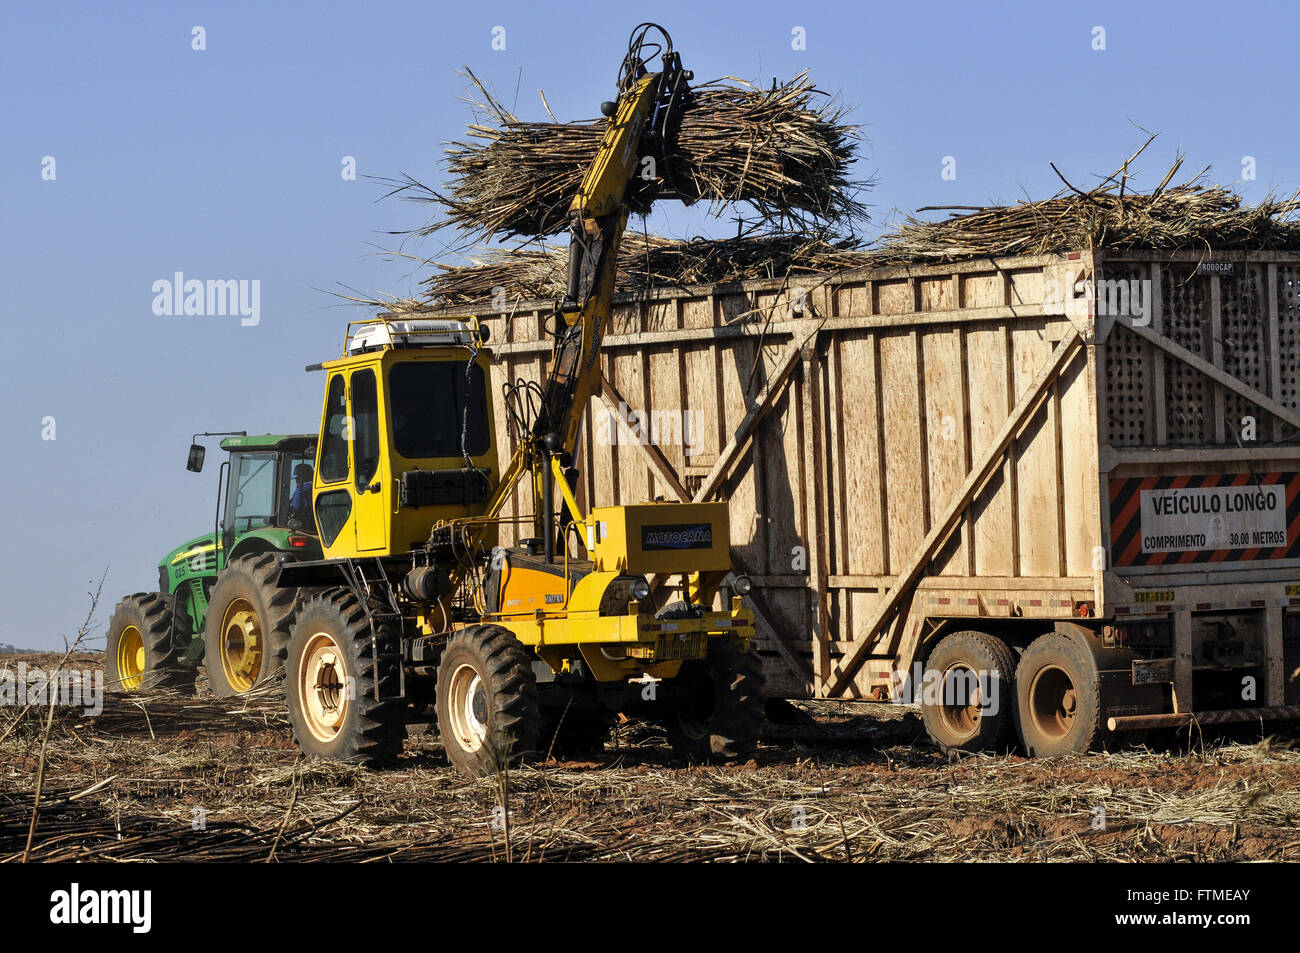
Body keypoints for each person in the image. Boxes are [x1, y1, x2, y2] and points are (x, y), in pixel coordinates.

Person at [288, 463, 315, 533]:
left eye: (297, 479)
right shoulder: (315, 487)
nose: (296, 481)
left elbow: (296, 508)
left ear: (302, 478)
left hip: (303, 526)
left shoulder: (302, 489)